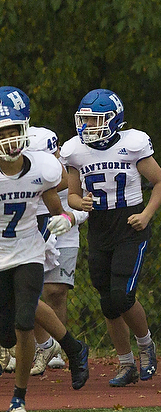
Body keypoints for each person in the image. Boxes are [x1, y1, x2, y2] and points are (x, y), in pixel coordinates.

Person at [61, 89, 161, 387]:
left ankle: (146, 345)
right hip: (99, 227)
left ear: (113, 120)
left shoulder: (132, 144)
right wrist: (77, 203)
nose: (87, 127)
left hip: (130, 225)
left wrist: (146, 215)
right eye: (84, 120)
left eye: (95, 120)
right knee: (108, 302)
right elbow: (71, 194)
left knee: (123, 295)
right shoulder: (75, 151)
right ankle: (125, 364)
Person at [0, 89, 85, 412]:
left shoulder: (43, 167)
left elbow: (55, 209)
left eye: (13, 132)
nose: (9, 141)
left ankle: (19, 399)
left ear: (25, 131)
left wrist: (65, 220)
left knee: (24, 322)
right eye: (2, 133)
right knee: (6, 331)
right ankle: (74, 347)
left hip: (28, 251)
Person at [22, 118, 87, 377]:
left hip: (58, 228)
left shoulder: (61, 160)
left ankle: (57, 348)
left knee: (54, 291)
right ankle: (41, 346)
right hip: (26, 228)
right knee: (27, 295)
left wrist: (72, 217)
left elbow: (75, 201)